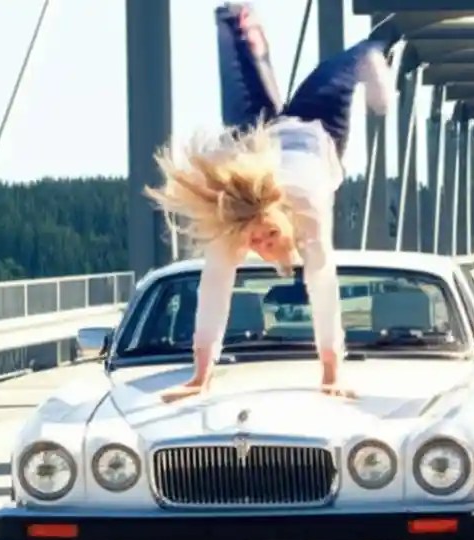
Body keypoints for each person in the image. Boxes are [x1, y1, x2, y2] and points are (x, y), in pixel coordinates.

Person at [144, 4, 394, 403]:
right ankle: (241, 16)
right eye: (257, 242)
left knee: (345, 63)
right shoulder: (237, 222)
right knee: (259, 50)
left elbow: (323, 286)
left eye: (268, 235)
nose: (260, 244)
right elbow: (214, 291)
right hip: (314, 132)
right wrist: (200, 375)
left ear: (283, 216)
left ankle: (372, 49)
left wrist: (331, 373)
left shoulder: (307, 208)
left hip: (279, 128)